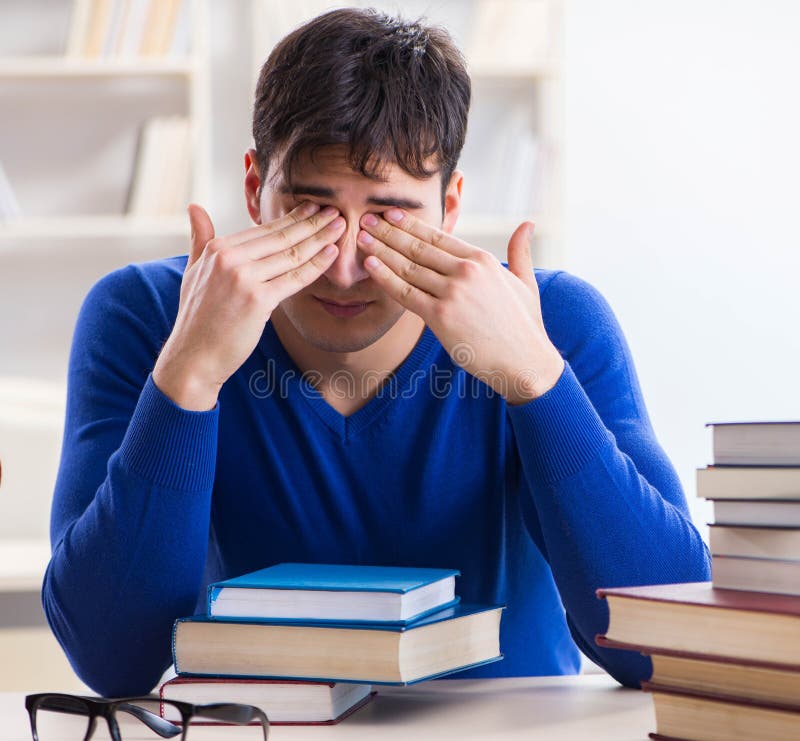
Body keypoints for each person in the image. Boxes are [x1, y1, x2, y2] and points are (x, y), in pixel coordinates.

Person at [43, 8, 710, 697]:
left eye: (389, 217)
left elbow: (668, 646)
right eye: (313, 213)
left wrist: (536, 380)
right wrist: (189, 376)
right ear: (254, 190)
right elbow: (111, 659)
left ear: (451, 205)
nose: (345, 267)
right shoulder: (148, 317)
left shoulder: (555, 320)